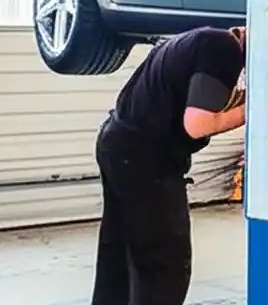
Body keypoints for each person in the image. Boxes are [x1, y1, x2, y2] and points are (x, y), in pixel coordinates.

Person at [91, 26, 248, 305]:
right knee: (164, 263)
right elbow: (197, 124)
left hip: (117, 144)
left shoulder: (199, 39)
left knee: (119, 254)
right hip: (145, 160)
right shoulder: (225, 49)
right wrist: (251, 110)